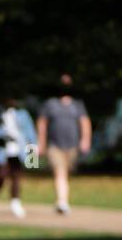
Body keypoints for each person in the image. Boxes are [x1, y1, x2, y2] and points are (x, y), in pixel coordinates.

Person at [37, 74, 91, 214]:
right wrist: (41, 143)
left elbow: (85, 123)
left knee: (65, 173)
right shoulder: (50, 104)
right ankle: (62, 202)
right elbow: (42, 123)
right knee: (59, 172)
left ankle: (62, 200)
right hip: (54, 145)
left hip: (72, 146)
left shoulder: (77, 105)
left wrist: (85, 140)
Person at [0, 97, 37, 218]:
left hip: (19, 148)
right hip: (1, 149)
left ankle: (15, 202)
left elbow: (30, 133)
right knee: (1, 174)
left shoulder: (22, 114)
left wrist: (32, 156)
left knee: (16, 176)